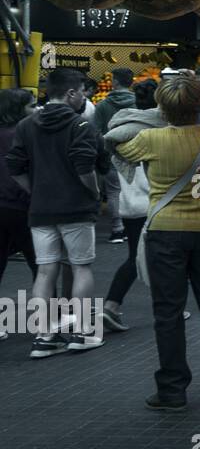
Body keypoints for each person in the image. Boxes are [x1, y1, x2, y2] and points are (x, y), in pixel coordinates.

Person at [116, 74, 200, 410]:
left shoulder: (149, 138)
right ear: (199, 105)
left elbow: (118, 143)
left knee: (168, 312)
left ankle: (172, 389)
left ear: (161, 107)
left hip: (164, 232)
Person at [5, 67, 111, 358]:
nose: (84, 98)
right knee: (80, 267)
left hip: (40, 210)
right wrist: (92, 192)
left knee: (45, 269)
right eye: (82, 92)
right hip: (76, 208)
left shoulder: (26, 125)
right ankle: (81, 333)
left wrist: (35, 190)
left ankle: (44, 337)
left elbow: (14, 166)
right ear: (71, 93)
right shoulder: (80, 126)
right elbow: (85, 167)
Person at [100, 79, 161, 332]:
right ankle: (113, 306)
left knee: (138, 256)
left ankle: (112, 306)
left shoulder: (124, 126)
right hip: (152, 203)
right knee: (153, 258)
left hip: (130, 202)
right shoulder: (160, 129)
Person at [0, 89, 37, 296]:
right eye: (32, 105)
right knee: (41, 264)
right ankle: (51, 317)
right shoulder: (25, 135)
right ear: (17, 110)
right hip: (22, 204)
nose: (37, 109)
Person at [95, 67, 136, 243]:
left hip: (111, 153)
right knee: (135, 190)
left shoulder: (103, 105)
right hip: (136, 153)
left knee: (113, 192)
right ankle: (133, 226)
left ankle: (117, 228)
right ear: (131, 82)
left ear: (115, 82)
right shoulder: (138, 102)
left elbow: (96, 131)